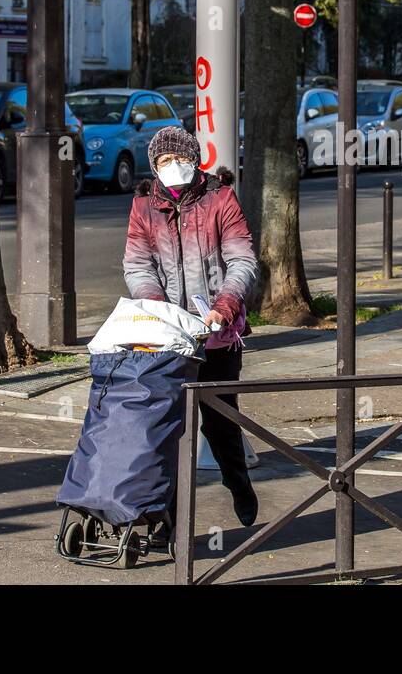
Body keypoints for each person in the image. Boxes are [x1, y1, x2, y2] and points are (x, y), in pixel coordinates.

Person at [123, 125, 260, 526]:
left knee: (222, 423)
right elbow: (137, 263)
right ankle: (170, 521)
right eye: (164, 162)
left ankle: (238, 481)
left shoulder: (220, 197)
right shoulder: (145, 205)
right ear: (155, 167)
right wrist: (156, 307)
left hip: (216, 336)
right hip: (169, 338)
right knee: (169, 431)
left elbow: (241, 259)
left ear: (194, 160)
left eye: (180, 159)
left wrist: (225, 305)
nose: (172, 167)